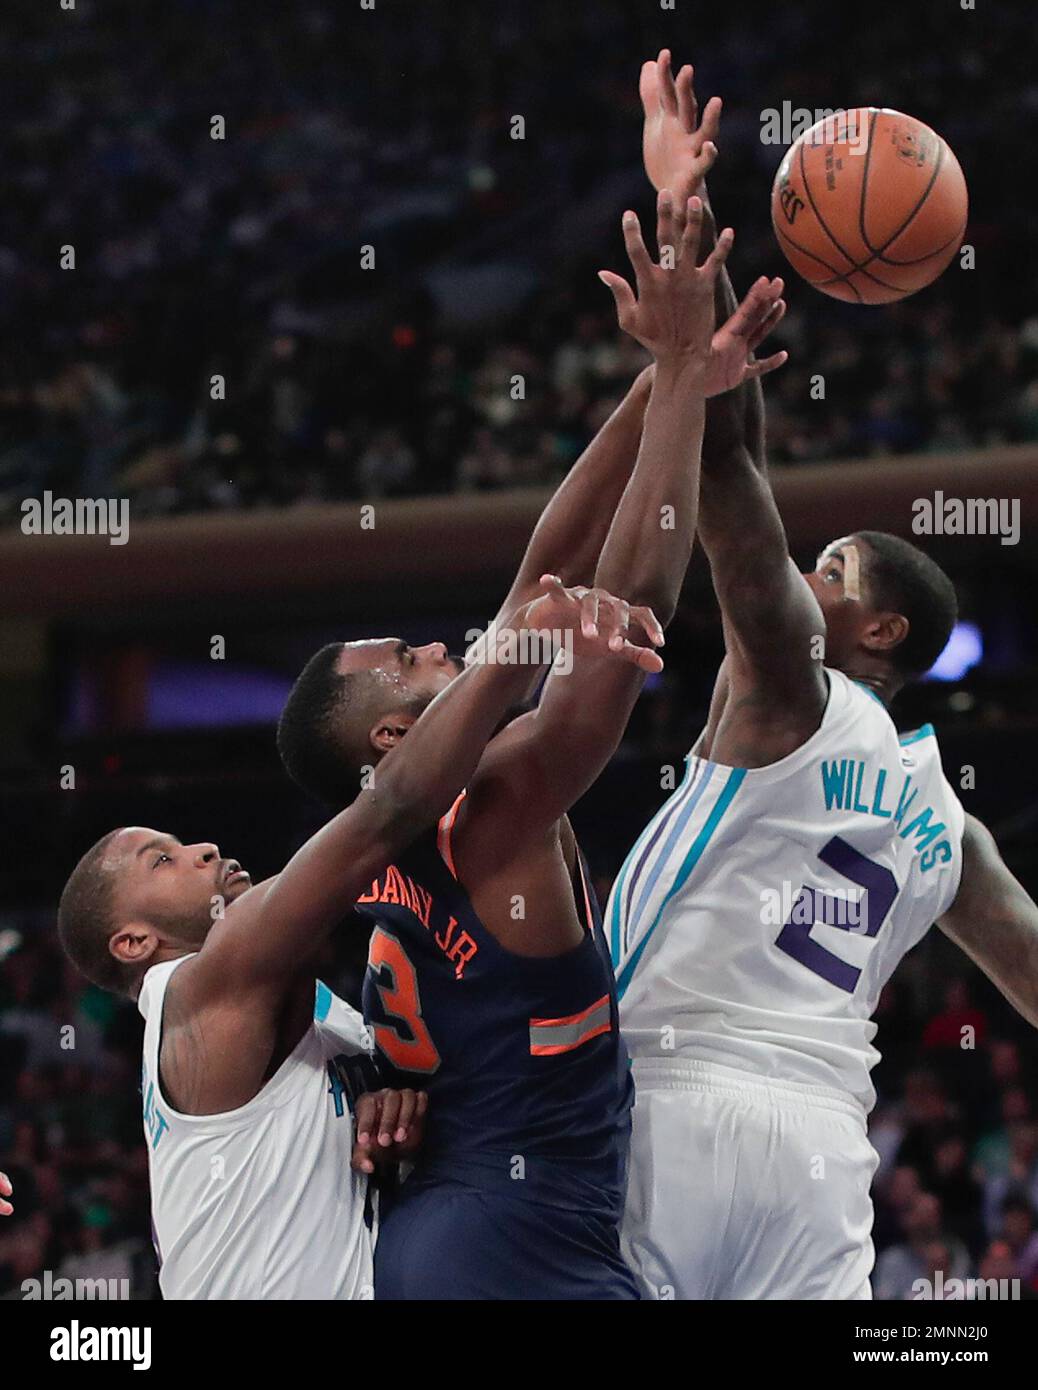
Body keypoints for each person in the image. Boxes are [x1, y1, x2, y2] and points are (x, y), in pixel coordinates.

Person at [277, 196, 768, 1298]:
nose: (441, 641)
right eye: (408, 655)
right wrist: (683, 374)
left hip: (453, 1227)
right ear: (398, 734)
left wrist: (663, 379)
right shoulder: (491, 805)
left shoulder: (400, 834)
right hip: (519, 1236)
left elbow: (547, 565)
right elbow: (623, 617)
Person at [609, 49, 1038, 1300]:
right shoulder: (945, 823)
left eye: (837, 567)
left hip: (671, 1104)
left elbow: (732, 475)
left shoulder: (795, 686)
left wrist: (694, 226)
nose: (813, 568)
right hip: (818, 1151)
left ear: (883, 631)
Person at [55, 578, 651, 1298]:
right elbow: (389, 808)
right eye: (165, 859)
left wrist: (384, 1106)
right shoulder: (203, 985)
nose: (204, 850)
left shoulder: (288, 1016)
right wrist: (518, 647)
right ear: (132, 943)